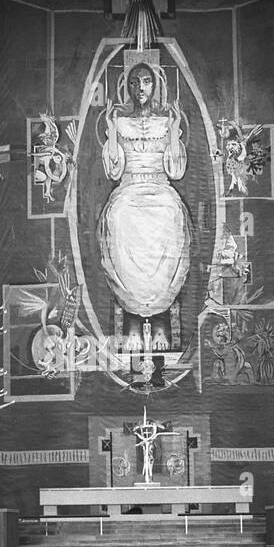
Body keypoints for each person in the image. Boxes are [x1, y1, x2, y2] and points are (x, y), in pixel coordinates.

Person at [96, 62, 191, 351]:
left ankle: (160, 321)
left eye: (147, 81)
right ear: (127, 86)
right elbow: (114, 172)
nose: (140, 88)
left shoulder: (165, 123)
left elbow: (175, 171)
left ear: (156, 85)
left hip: (161, 189)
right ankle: (133, 322)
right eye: (135, 82)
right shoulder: (121, 123)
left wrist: (174, 132)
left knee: (171, 214)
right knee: (118, 215)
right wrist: (112, 133)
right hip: (128, 189)